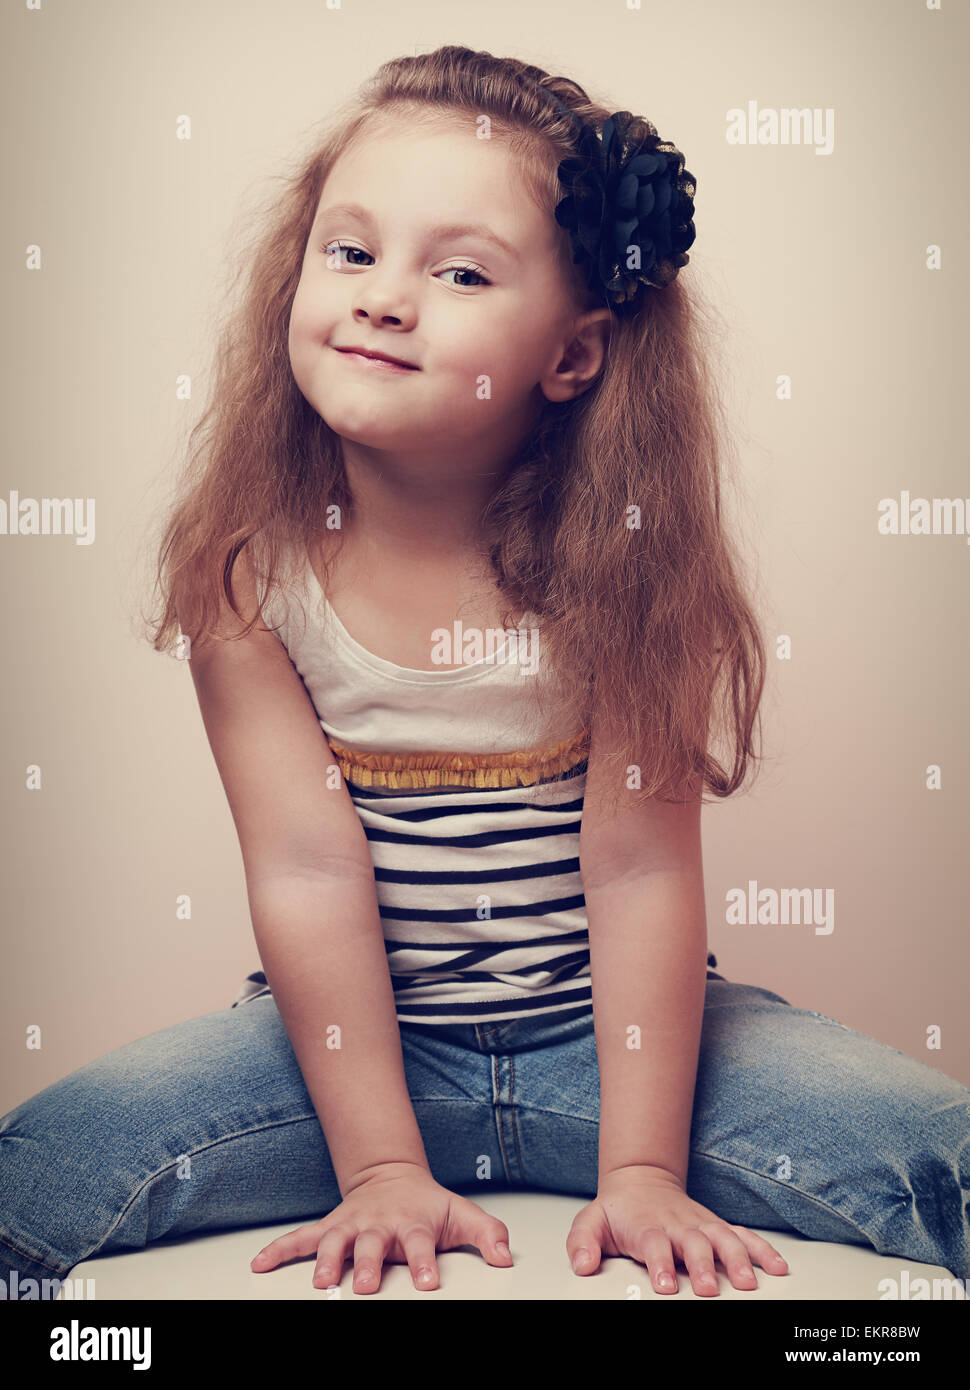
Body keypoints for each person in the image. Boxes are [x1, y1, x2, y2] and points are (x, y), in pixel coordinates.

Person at [2, 45, 968, 1300]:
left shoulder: (627, 575)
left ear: (571, 356)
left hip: (603, 1053)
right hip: (348, 1063)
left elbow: (638, 869)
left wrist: (642, 1171)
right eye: (350, 252)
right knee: (38, 1170)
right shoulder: (251, 577)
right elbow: (303, 867)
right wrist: (380, 1170)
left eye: (458, 272)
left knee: (942, 1156)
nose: (384, 298)